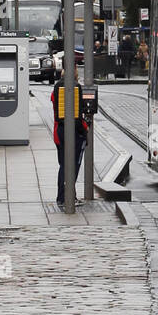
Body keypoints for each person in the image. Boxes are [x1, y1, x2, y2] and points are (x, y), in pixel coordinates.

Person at [51, 67, 89, 209]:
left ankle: (62, 197)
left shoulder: (56, 87)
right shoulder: (75, 87)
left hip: (58, 131)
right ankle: (67, 197)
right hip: (73, 132)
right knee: (73, 165)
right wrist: (84, 130)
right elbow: (77, 115)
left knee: (63, 165)